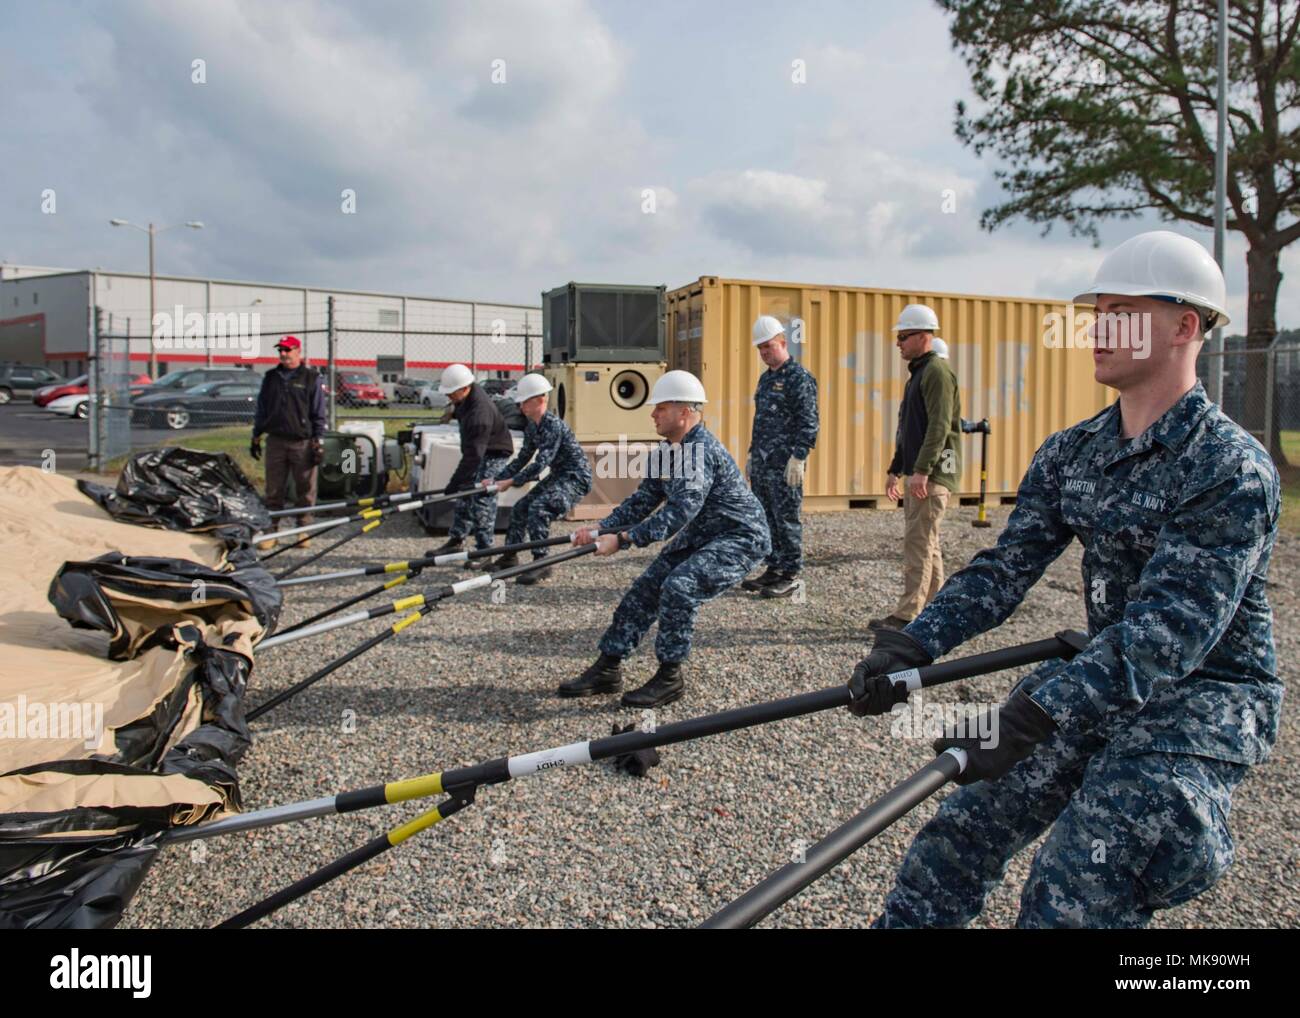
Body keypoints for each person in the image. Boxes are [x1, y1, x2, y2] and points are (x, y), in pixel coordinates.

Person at [848, 230, 1282, 928]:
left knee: (1076, 882)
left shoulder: (1229, 468)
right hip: (1100, 682)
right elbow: (1005, 566)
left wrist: (1033, 714)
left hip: (1201, 702)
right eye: (1096, 312)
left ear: (1184, 325)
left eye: (1121, 311)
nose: (1097, 329)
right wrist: (912, 646)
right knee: (957, 836)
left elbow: (1167, 635)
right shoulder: (1073, 452)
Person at [559, 370, 770, 708]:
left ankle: (670, 678)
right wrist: (601, 529)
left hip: (740, 538)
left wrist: (623, 540)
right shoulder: (666, 451)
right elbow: (642, 501)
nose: (653, 414)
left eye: (661, 408)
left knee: (679, 586)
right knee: (647, 587)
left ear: (685, 412)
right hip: (706, 535)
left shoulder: (698, 451)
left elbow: (679, 511)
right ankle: (608, 668)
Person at [871, 304, 962, 630]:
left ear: (924, 336)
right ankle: (936, 612)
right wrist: (896, 468)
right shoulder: (920, 374)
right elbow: (909, 428)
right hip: (922, 472)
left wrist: (922, 471)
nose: (898, 343)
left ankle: (907, 616)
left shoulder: (936, 372)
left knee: (918, 546)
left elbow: (939, 427)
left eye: (903, 336)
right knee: (928, 544)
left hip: (932, 475)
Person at [484, 373, 592, 585]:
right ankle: (510, 556)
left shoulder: (553, 425)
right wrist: (498, 478)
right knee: (520, 508)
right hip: (559, 475)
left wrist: (512, 482)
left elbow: (540, 464)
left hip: (575, 478)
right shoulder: (533, 426)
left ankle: (541, 563)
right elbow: (524, 457)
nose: (521, 406)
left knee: (539, 509)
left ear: (541, 399)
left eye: (525, 401)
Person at [739, 315, 819, 599]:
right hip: (763, 462)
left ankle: (790, 574)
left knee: (786, 518)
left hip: (785, 464)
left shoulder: (799, 378)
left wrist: (799, 457)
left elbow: (808, 421)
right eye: (760, 349)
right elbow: (760, 420)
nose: (764, 353)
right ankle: (773, 567)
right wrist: (751, 454)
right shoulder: (766, 379)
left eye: (769, 347)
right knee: (766, 517)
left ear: (783, 343)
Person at [429, 363, 513, 557]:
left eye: (451, 393)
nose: (448, 397)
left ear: (465, 388)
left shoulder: (479, 413)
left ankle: (485, 551)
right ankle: (457, 540)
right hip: (479, 449)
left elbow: (473, 456)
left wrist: (455, 482)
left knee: (483, 495)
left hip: (495, 452)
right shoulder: (464, 398)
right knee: (466, 494)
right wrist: (461, 484)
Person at [250, 336, 326, 550]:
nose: (283, 354)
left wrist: (318, 440)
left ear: (298, 351)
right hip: (276, 441)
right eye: (280, 350)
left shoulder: (311, 378)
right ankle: (271, 531)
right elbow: (262, 408)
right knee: (274, 489)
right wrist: (256, 435)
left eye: (287, 349)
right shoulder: (271, 378)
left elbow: (318, 411)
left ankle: (302, 529)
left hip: (302, 442)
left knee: (305, 488)